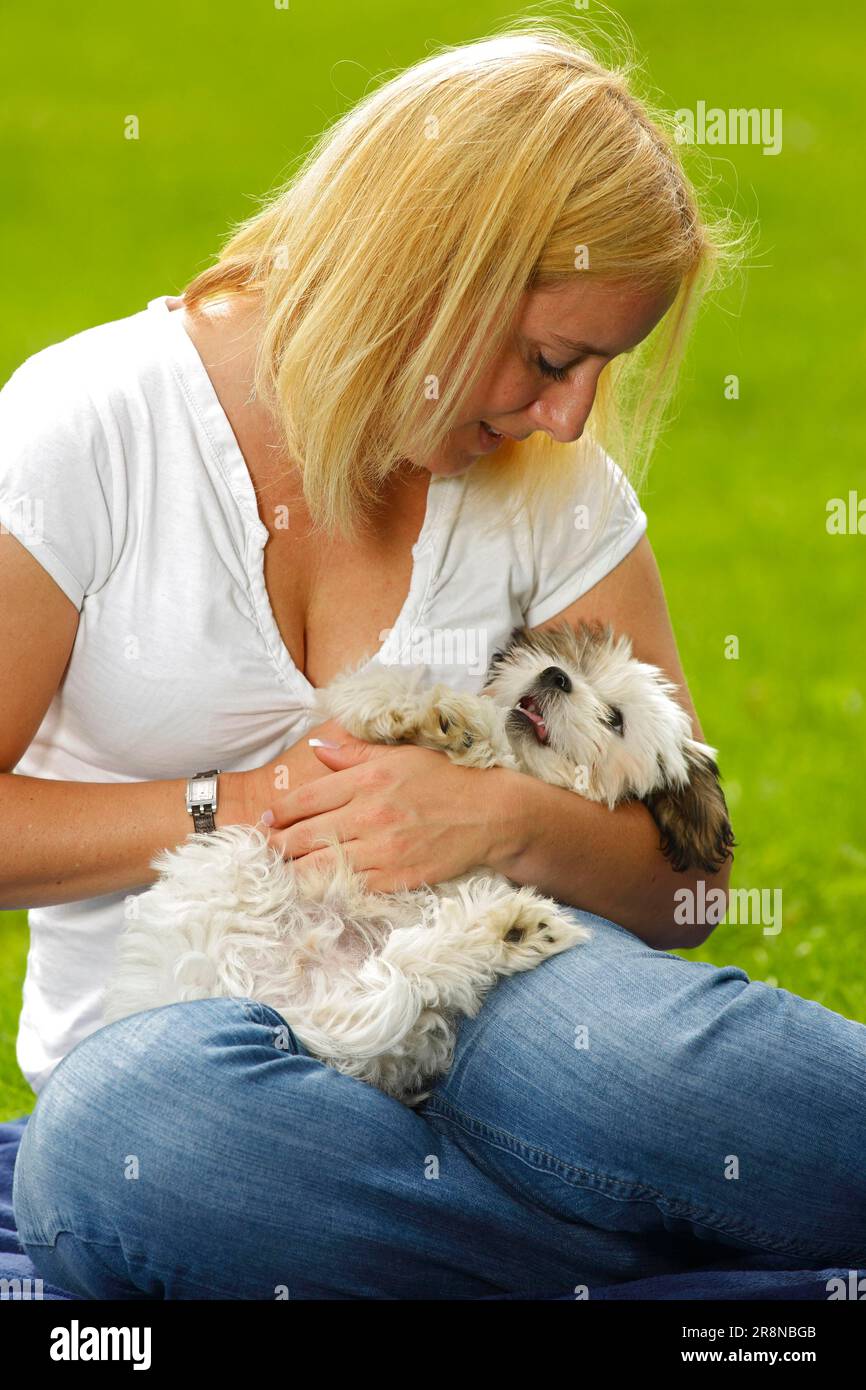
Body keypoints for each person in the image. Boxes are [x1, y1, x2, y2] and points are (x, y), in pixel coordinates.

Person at [4, 27, 865, 1299]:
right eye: (550, 360)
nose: (568, 416)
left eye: (597, 371)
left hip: (488, 991)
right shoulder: (90, 428)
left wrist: (496, 819)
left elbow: (690, 883)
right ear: (427, 272)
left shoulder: (555, 489)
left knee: (629, 1059)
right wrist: (241, 807)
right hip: (201, 1051)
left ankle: (511, 1268)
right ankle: (673, 1273)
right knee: (133, 1137)